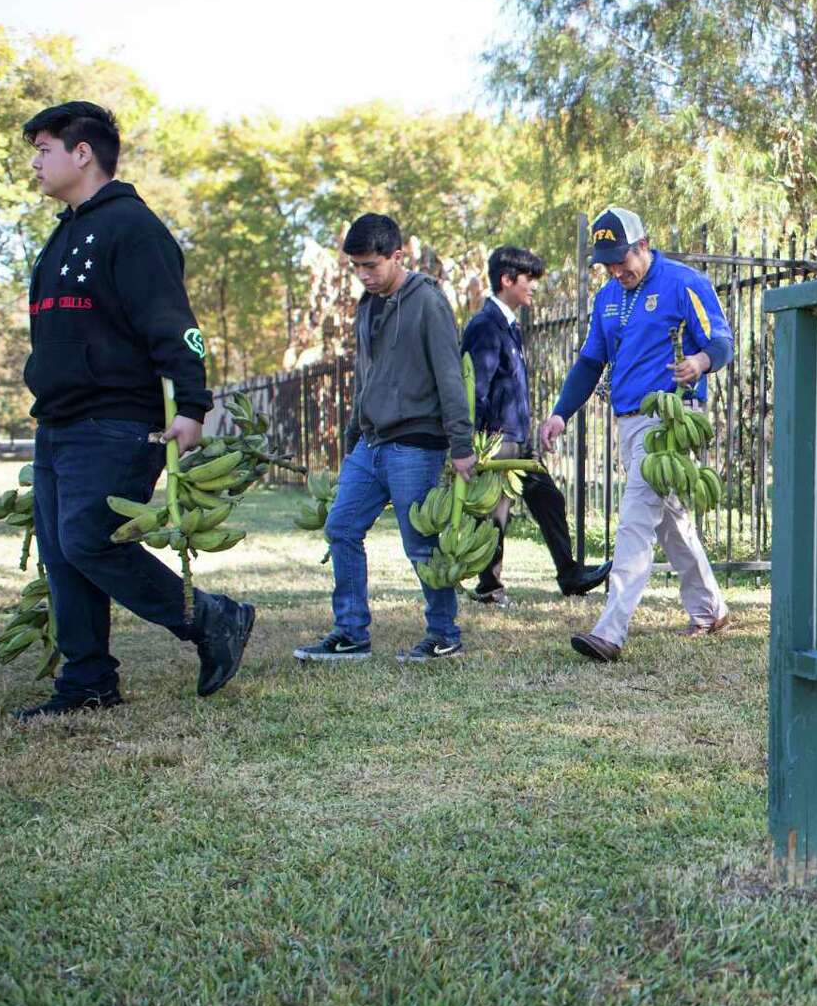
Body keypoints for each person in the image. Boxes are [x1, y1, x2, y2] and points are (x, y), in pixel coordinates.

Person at [15, 101, 255, 718]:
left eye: (44, 149)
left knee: (90, 539)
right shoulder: (63, 234)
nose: (36, 162)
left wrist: (193, 403)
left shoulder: (132, 227)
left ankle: (212, 620)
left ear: (83, 152)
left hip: (116, 418)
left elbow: (175, 324)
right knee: (63, 552)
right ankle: (87, 681)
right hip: (59, 421)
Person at [540, 207, 733, 661]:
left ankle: (610, 630)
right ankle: (711, 609)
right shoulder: (607, 297)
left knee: (635, 520)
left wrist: (700, 363)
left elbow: (721, 340)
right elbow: (591, 363)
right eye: (606, 262)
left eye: (621, 259)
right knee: (671, 523)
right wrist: (560, 414)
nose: (615, 270)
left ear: (643, 245)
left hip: (669, 419)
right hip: (626, 421)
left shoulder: (684, 282)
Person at [295, 213, 474, 664]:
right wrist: (355, 434)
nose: (363, 275)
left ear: (398, 256)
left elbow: (450, 376)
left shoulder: (428, 302)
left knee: (420, 543)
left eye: (371, 265)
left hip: (417, 443)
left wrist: (461, 445)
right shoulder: (367, 304)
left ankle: (443, 633)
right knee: (341, 528)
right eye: (356, 266)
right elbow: (367, 375)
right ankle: (351, 633)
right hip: (371, 443)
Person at [462, 245, 610, 605]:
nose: (533, 287)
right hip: (494, 441)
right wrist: (470, 442)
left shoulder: (509, 326)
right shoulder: (484, 326)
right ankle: (489, 587)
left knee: (549, 498)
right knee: (494, 517)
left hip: (518, 440)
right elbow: (475, 387)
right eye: (528, 279)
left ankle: (570, 574)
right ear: (506, 279)